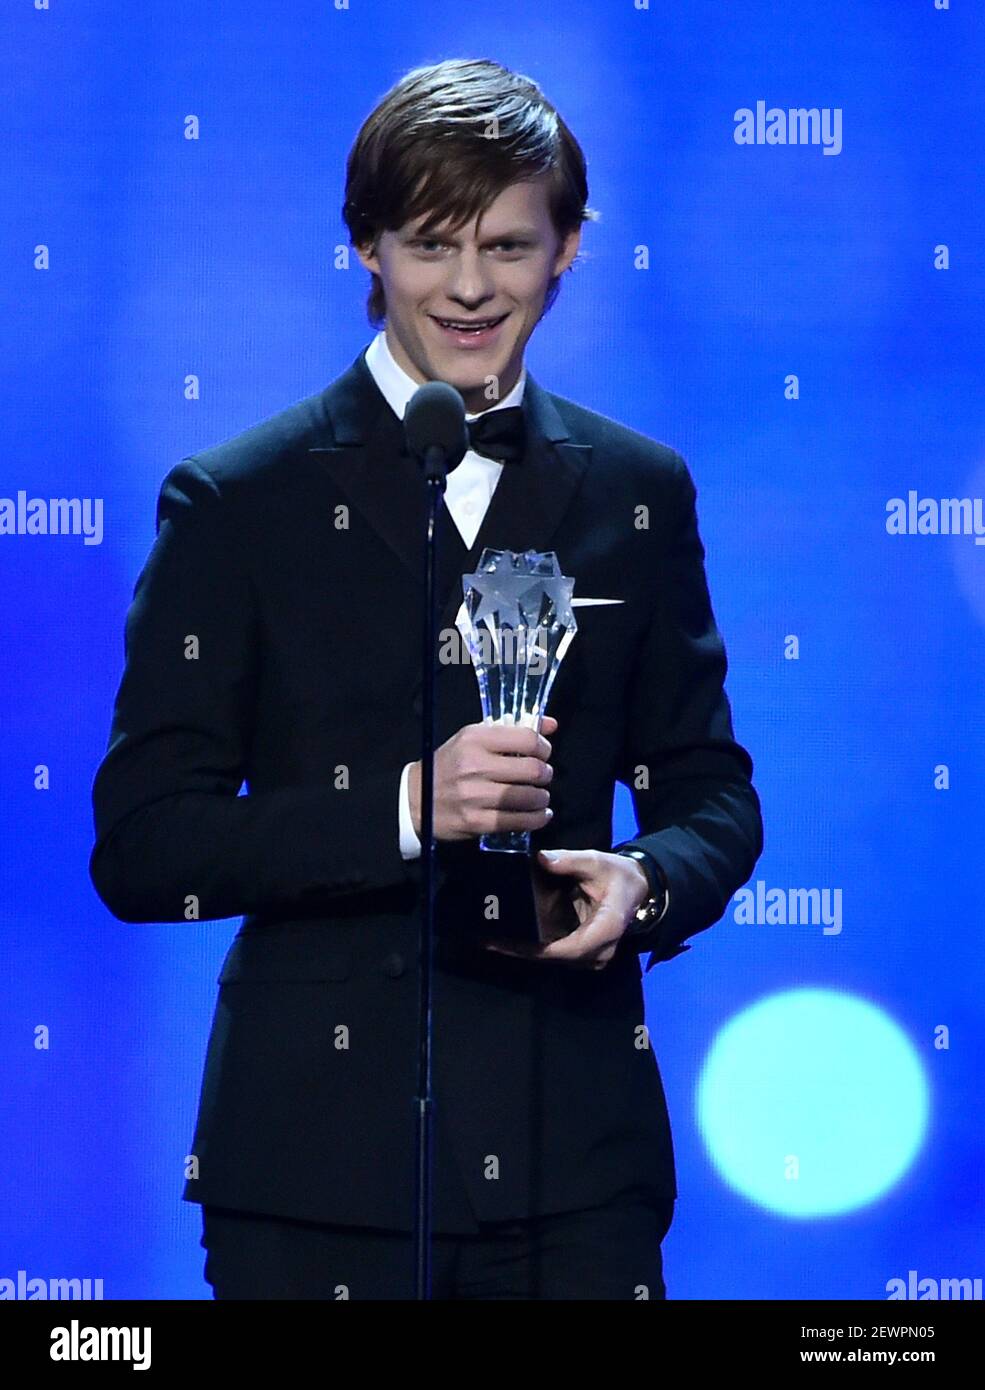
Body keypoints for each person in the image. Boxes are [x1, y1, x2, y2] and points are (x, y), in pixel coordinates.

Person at [89, 57, 763, 1300]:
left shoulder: (636, 490)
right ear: (365, 247)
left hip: (578, 1170)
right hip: (314, 1181)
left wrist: (648, 882)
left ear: (568, 249)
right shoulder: (238, 502)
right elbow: (143, 847)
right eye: (429, 244)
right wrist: (405, 805)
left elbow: (711, 791)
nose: (467, 287)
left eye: (509, 245)